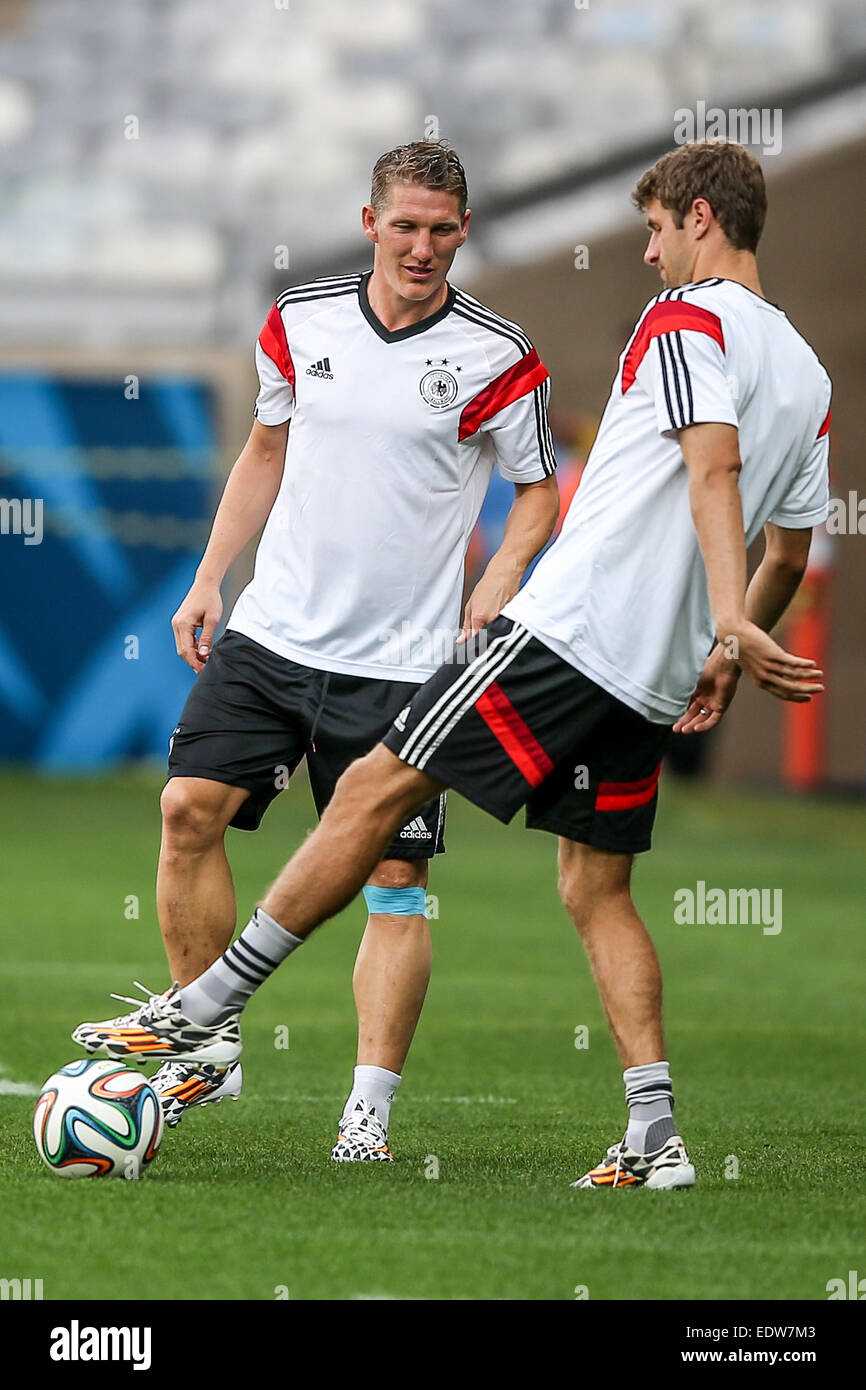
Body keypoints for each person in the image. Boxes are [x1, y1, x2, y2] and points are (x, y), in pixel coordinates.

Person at [75, 141, 830, 1189]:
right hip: (649, 671)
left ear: (698, 218)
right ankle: (655, 1138)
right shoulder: (808, 369)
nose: (647, 251)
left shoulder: (684, 317)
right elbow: (787, 547)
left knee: (376, 795)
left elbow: (712, 465)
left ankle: (206, 1011)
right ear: (371, 223)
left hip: (569, 629)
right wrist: (724, 640)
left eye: (654, 229)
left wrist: (718, 617)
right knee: (595, 888)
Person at [119, 140, 559, 1159]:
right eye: (404, 225)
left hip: (403, 665)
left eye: (441, 229)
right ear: (371, 223)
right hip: (271, 635)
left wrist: (489, 602)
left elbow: (536, 489)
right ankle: (209, 1038)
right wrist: (208, 575)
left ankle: (366, 1111)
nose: (422, 246)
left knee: (394, 886)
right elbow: (265, 447)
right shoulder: (298, 319)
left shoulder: (500, 356)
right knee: (186, 811)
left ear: (462, 231)